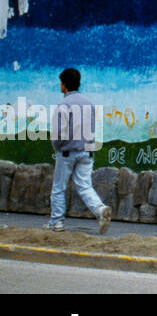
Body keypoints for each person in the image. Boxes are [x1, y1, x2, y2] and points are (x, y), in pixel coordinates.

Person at [48, 68, 111, 234]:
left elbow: (58, 133)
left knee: (59, 187)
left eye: (61, 83)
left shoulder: (63, 105)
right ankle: (100, 209)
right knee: (84, 185)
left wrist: (57, 148)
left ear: (64, 84)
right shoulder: (88, 103)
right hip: (87, 151)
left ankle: (57, 222)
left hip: (68, 152)